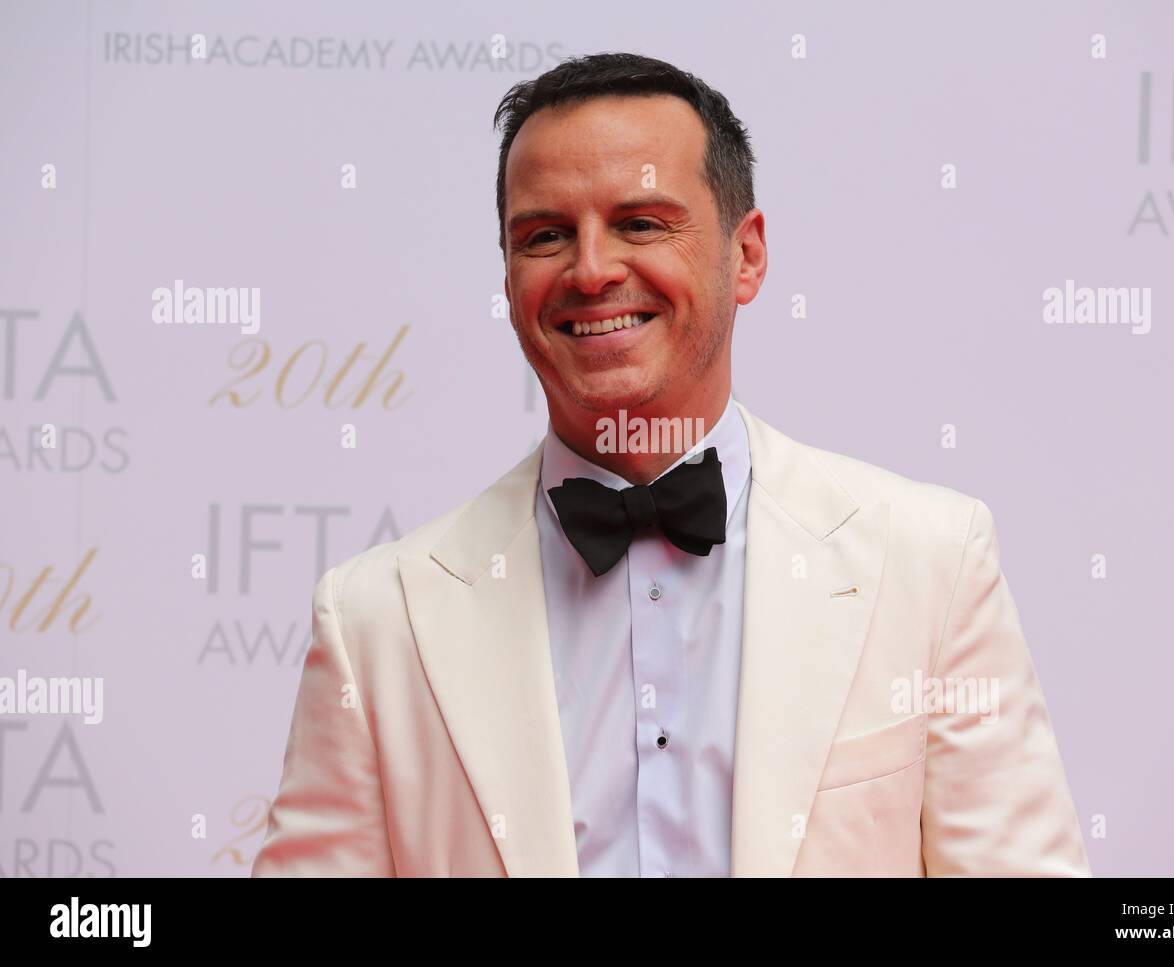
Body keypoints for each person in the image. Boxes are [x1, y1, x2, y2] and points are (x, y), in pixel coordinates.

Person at [252, 52, 1090, 877]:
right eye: (545, 235)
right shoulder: (376, 620)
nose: (591, 270)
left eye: (641, 223)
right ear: (507, 275)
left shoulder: (931, 563)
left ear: (747, 254)